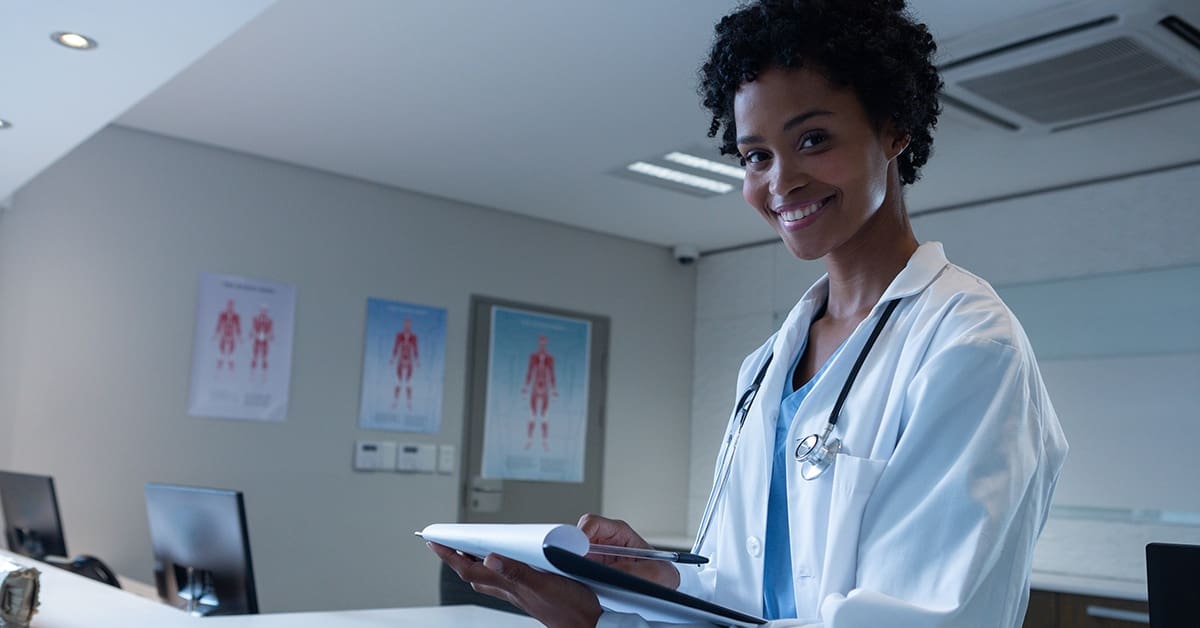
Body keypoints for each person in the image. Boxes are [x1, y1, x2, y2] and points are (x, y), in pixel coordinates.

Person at [430, 1, 1068, 626]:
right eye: (756, 155)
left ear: (894, 129)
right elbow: (747, 592)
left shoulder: (969, 345)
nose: (779, 181)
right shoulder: (767, 366)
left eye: (813, 139)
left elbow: (922, 619)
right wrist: (645, 585)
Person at [521, 335, 558, 451]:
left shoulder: (550, 358)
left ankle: (545, 441)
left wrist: (553, 390)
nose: (542, 345)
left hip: (545, 389)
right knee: (532, 416)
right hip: (535, 388)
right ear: (538, 343)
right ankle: (529, 440)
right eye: (541, 343)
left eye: (544, 343)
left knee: (544, 417)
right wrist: (525, 387)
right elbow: (530, 371)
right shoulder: (534, 357)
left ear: (546, 344)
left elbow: (552, 374)